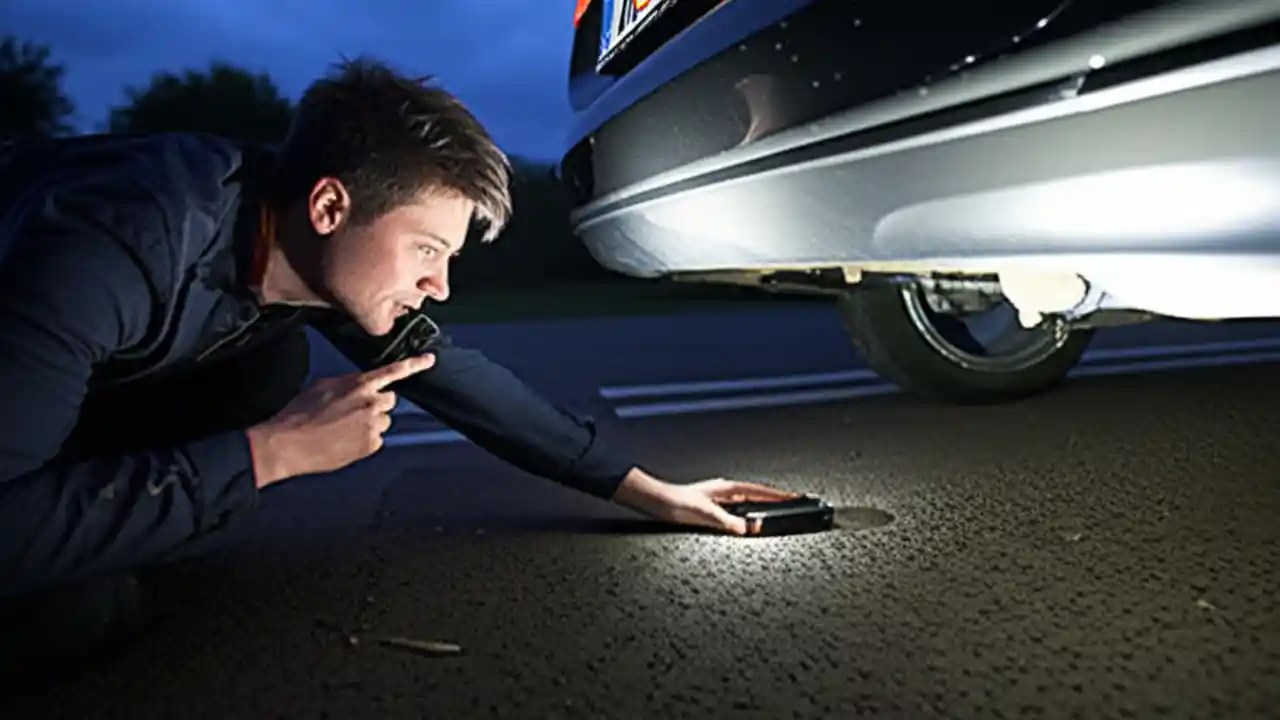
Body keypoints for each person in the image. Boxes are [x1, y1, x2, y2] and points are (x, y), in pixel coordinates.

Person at [0, 58, 798, 683]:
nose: (439, 286)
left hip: (56, 400)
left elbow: (449, 373)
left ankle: (108, 521)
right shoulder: (109, 249)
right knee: (77, 617)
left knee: (266, 360)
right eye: (426, 250)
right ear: (329, 207)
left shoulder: (306, 256)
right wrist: (268, 454)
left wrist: (642, 487)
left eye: (447, 257)